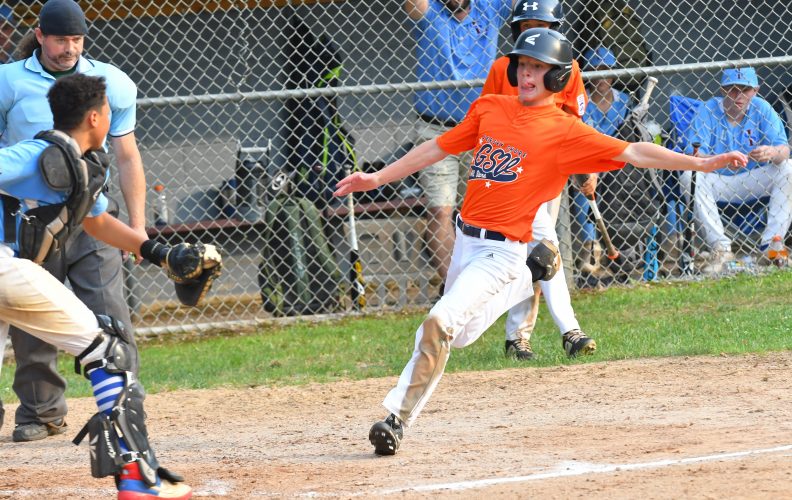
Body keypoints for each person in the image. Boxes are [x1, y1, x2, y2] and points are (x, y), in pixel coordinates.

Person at [334, 28, 747, 456]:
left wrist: (702, 161)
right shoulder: (490, 107)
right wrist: (377, 178)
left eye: (538, 68)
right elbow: (438, 147)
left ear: (556, 77)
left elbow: (634, 152)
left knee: (438, 323)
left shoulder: (564, 130)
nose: (527, 73)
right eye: (523, 65)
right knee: (457, 337)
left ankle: (396, 418)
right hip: (465, 238)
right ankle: (529, 275)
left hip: (500, 251)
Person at [0, 73, 192, 499]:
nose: (111, 117)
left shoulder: (76, 164)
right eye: (107, 111)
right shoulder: (36, 155)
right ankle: (139, 480)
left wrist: (159, 253)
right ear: (94, 117)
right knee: (110, 350)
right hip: (4, 268)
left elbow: (98, 221)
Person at [0, 0, 149, 443]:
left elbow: (127, 156)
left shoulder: (111, 84)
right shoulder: (8, 83)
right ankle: (41, 411)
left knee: (109, 309)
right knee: (31, 315)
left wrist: (140, 233)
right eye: (60, 39)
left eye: (77, 40)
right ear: (41, 36)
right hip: (26, 220)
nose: (69, 48)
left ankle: (125, 401)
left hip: (90, 213)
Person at [481, 0, 594, 360]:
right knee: (542, 248)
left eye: (540, 25)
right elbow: (488, 119)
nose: (532, 32)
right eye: (526, 25)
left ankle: (519, 337)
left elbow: (574, 123)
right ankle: (565, 331)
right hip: (512, 172)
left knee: (539, 252)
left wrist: (584, 166)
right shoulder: (503, 68)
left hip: (551, 168)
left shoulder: (569, 68)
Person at [404, 0, 514, 285]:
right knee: (441, 210)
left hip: (480, 128)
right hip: (435, 129)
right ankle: (453, 289)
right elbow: (413, 5)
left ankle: (483, 284)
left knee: (482, 213)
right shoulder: (431, 13)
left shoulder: (489, 7)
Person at [684, 67, 791, 272]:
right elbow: (693, 155)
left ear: (756, 91)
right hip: (718, 178)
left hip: (754, 178)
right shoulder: (708, 109)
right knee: (689, 176)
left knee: (788, 167)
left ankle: (772, 249)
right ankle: (721, 249)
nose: (738, 95)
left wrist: (772, 152)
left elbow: (784, 150)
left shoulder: (762, 108)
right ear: (723, 90)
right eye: (732, 89)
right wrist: (721, 160)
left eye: (745, 89)